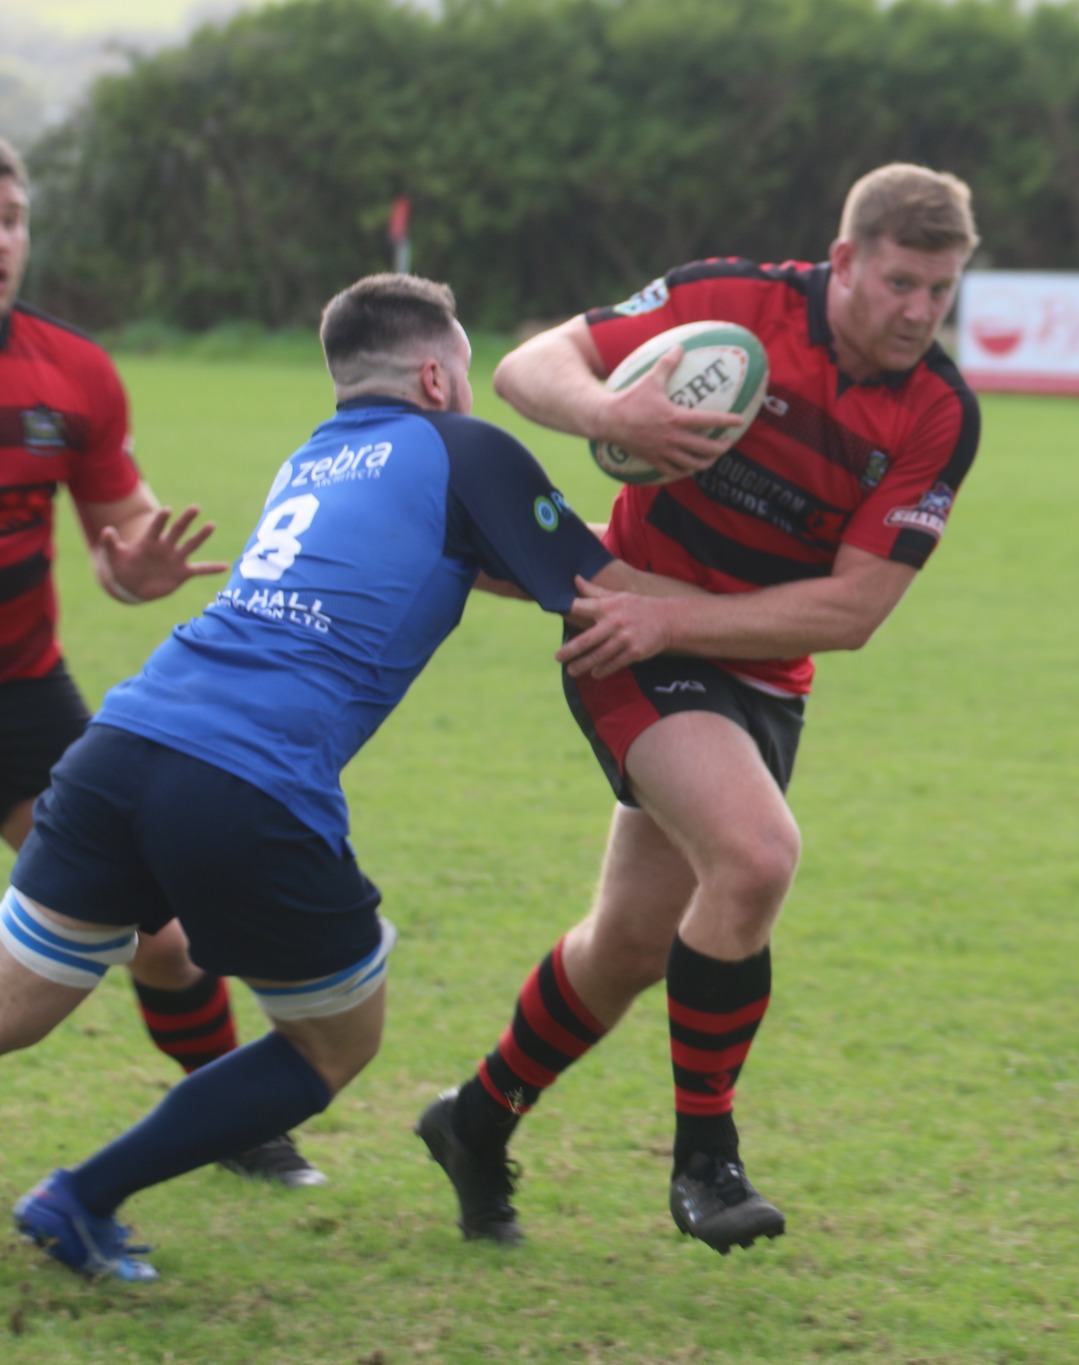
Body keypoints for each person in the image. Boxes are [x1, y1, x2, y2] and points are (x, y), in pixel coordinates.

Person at [3, 272, 682, 1282]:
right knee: (331, 1045)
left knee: (12, 1008)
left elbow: (489, 556)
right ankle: (81, 1198)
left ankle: (84, 1199)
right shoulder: (464, 447)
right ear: (435, 376)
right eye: (462, 370)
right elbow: (604, 594)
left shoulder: (312, 460)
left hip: (121, 744)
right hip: (243, 783)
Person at [417, 163, 981, 1254]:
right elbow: (535, 363)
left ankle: (472, 1121)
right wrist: (607, 409)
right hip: (624, 634)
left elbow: (854, 608)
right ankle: (705, 1161)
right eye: (901, 282)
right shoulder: (735, 303)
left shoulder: (935, 415)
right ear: (846, 259)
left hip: (747, 666)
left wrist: (684, 622)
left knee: (627, 946)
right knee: (757, 857)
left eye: (940, 291)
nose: (918, 312)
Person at [0, 137, 321, 1184]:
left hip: (22, 698)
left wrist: (138, 567)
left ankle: (230, 1126)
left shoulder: (71, 372)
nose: (1, 243)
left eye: (10, 220)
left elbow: (123, 551)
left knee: (168, 937)